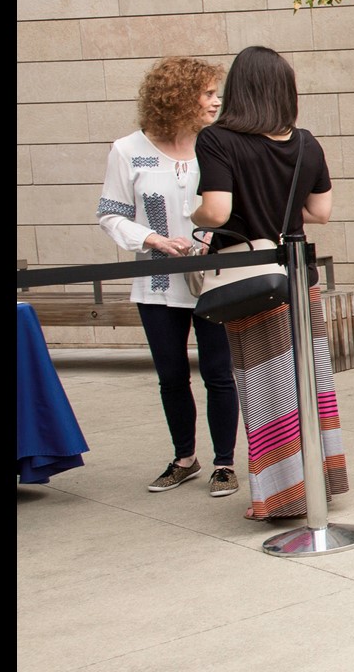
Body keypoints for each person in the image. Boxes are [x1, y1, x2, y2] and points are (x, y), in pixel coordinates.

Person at [191, 46, 343, 519]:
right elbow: (320, 212)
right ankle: (322, 484)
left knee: (265, 391)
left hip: (251, 279)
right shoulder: (306, 142)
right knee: (309, 387)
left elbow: (215, 211)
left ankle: (280, 498)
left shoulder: (217, 140)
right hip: (299, 278)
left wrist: (193, 215)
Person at [98, 56, 239, 498]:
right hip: (156, 285)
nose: (216, 101)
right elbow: (111, 215)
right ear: (178, 98)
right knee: (172, 375)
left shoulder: (217, 144)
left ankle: (224, 463)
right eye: (208, 93)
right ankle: (184, 458)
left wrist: (210, 239)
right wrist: (154, 240)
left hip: (213, 279)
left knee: (219, 373)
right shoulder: (127, 150)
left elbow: (234, 206)